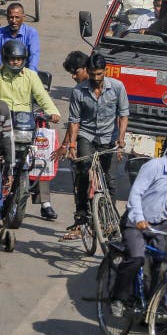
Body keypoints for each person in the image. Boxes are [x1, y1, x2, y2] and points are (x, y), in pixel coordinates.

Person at [110, 138, 167, 316]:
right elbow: (136, 193)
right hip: (136, 222)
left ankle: (154, 304)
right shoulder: (153, 167)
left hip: (159, 224)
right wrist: (139, 219)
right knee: (136, 258)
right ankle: (118, 298)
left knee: (163, 264)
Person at [53, 53, 129, 240]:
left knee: (110, 180)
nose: (96, 78)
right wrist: (71, 145)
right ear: (87, 72)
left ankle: (108, 221)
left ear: (105, 71)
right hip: (87, 136)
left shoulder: (118, 88)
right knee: (83, 173)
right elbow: (74, 121)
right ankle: (81, 217)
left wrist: (120, 139)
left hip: (108, 138)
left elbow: (123, 115)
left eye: (99, 74)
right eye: (93, 74)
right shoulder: (79, 91)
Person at [0, 40, 61, 219]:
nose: (15, 62)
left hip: (22, 125)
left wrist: (53, 112)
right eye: (12, 59)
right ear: (5, 59)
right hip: (2, 124)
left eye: (19, 59)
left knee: (40, 156)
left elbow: (42, 96)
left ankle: (45, 201)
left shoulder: (30, 76)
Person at [0, 3, 40, 72]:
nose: (14, 21)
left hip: (24, 73)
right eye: (11, 17)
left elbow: (34, 55)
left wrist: (30, 73)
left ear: (23, 17)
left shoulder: (31, 33)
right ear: (7, 18)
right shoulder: (1, 33)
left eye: (17, 17)